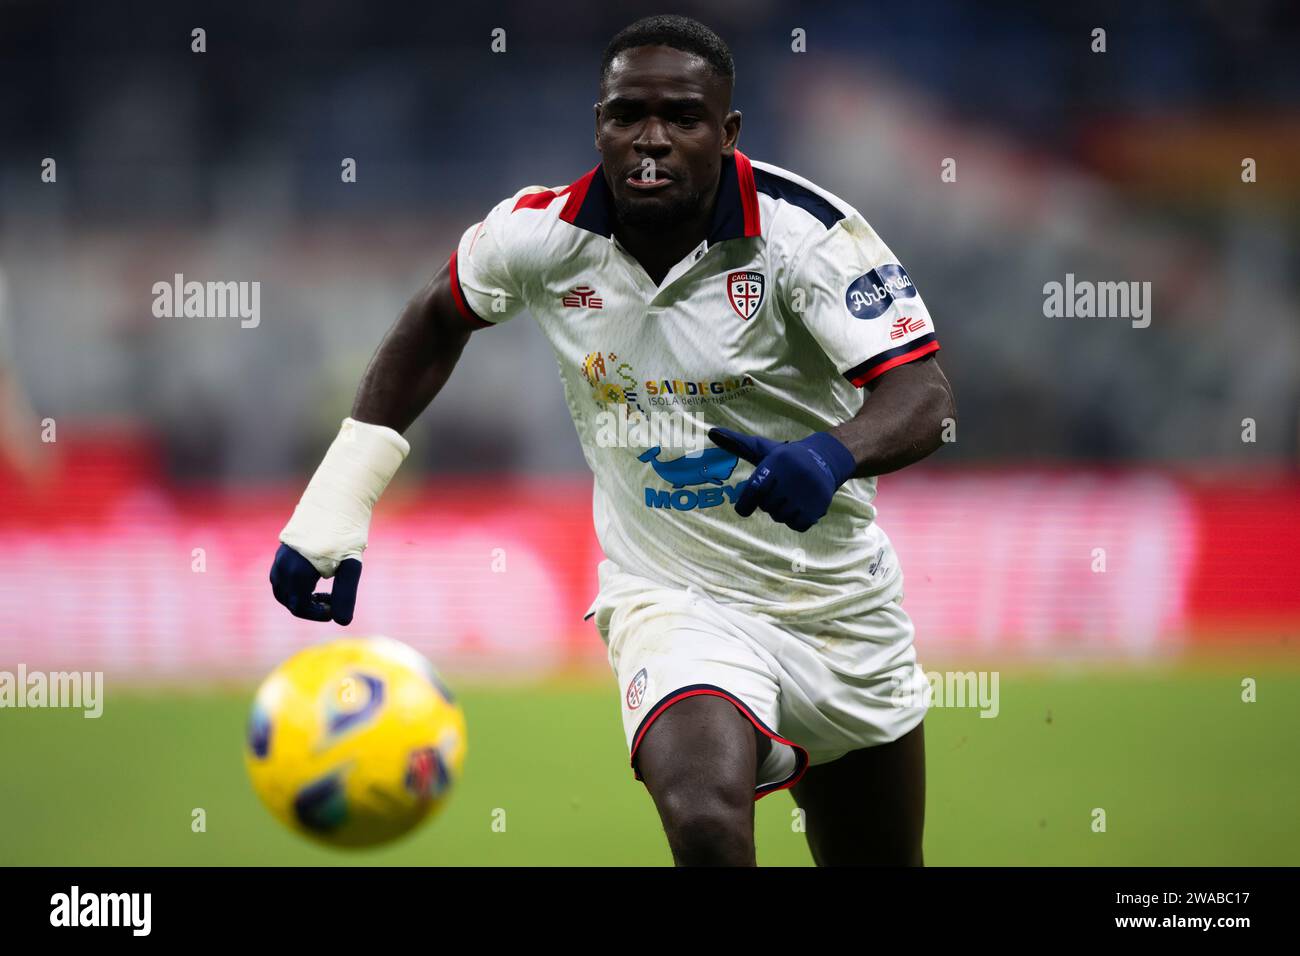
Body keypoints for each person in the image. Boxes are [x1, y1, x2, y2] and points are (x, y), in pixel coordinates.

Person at [271, 14, 955, 866]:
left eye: (682, 117)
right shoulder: (539, 235)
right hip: (671, 600)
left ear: (728, 131)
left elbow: (922, 394)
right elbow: (436, 318)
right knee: (705, 822)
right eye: (627, 114)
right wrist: (341, 493)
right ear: (598, 121)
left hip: (838, 610)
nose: (651, 139)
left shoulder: (807, 237)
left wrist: (829, 455)